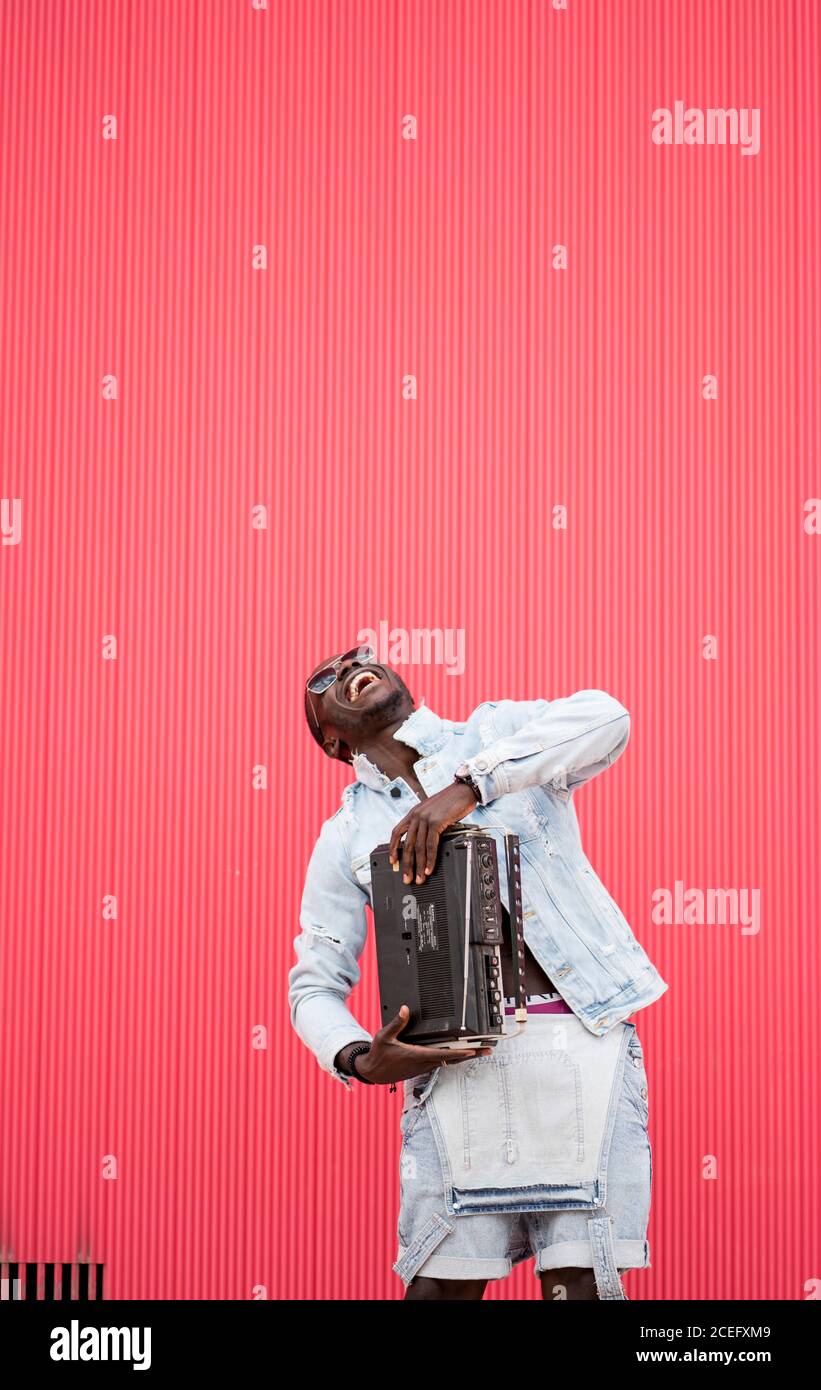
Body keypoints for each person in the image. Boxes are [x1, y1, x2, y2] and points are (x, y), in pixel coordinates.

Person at [289, 644, 668, 1300]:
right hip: (452, 1070)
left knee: (577, 1284)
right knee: (440, 1290)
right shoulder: (344, 835)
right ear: (330, 741)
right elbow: (313, 984)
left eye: (360, 653)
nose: (352, 662)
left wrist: (468, 788)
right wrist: (356, 1058)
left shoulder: (497, 733)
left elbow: (607, 716)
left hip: (577, 1047)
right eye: (327, 676)